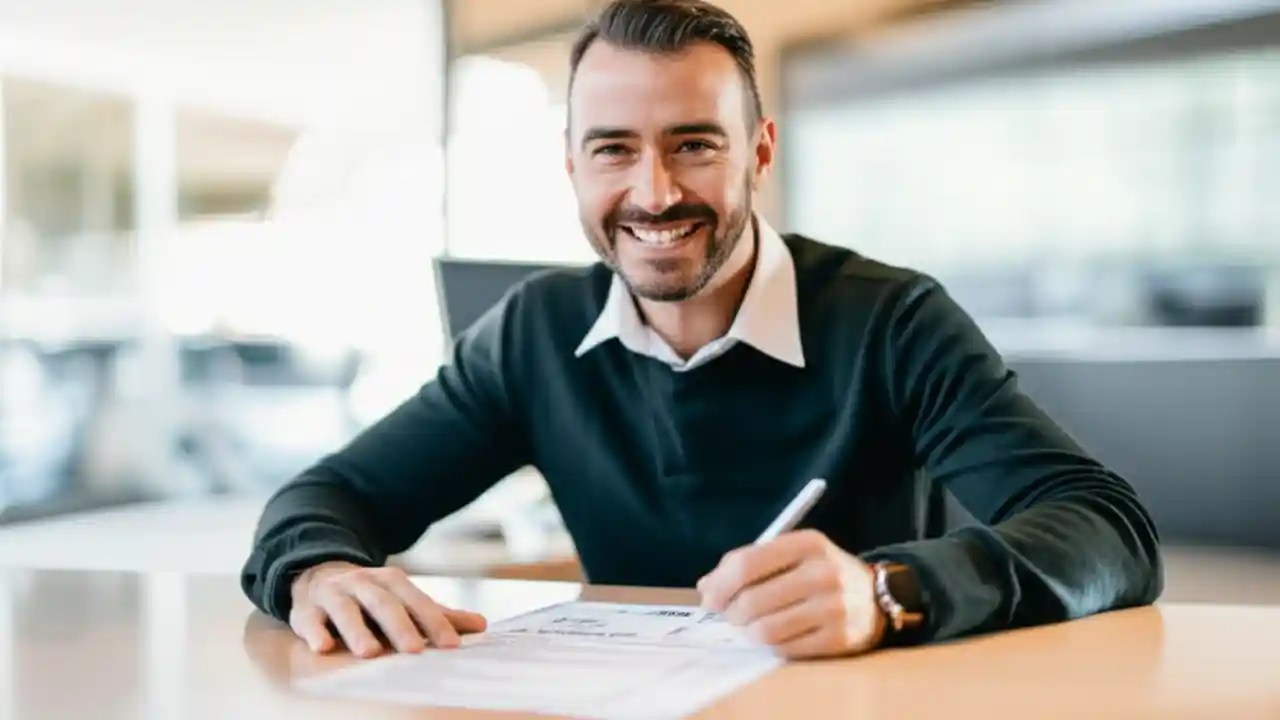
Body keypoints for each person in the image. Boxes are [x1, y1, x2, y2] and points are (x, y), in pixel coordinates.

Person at [242, 0, 1162, 660]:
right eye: (613, 148)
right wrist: (320, 573)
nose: (653, 193)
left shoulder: (890, 320)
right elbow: (328, 499)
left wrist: (889, 592)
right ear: (571, 166)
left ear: (759, 151)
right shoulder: (535, 333)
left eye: (693, 144)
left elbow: (1109, 533)